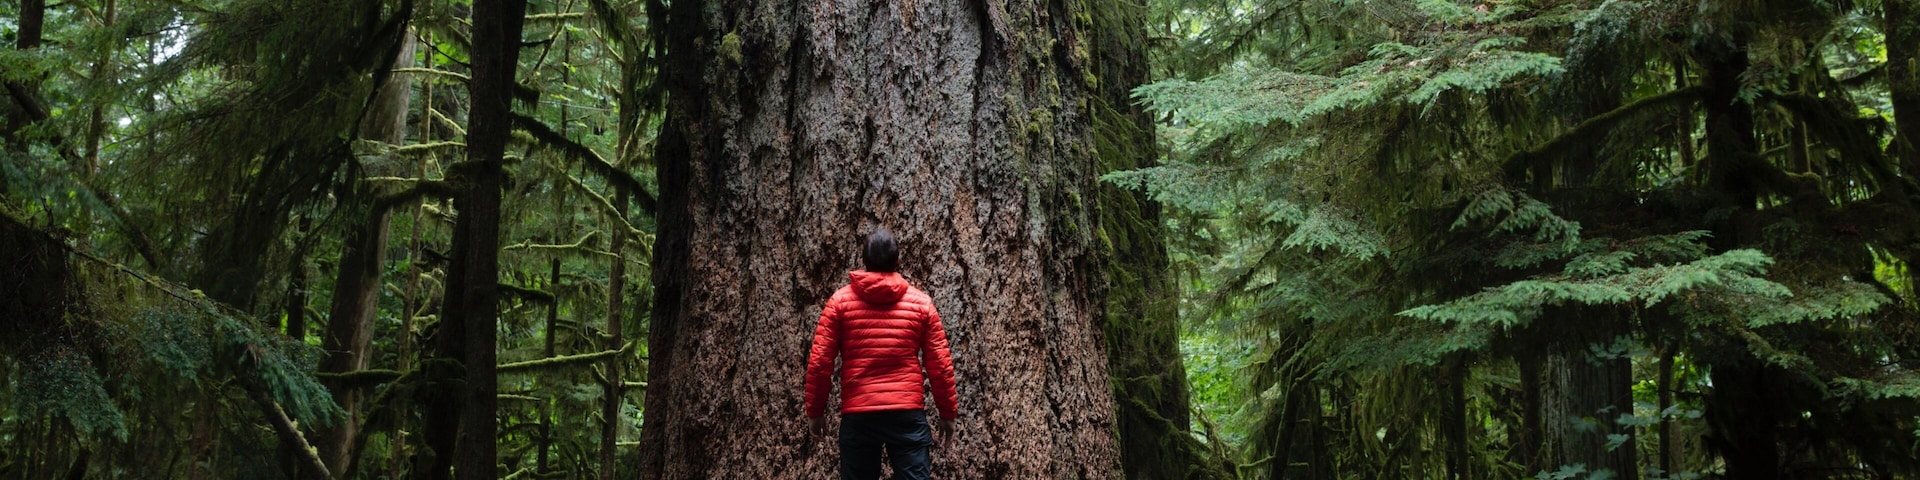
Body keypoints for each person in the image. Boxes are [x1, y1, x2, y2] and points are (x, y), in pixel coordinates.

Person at [805, 227, 958, 480]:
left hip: (859, 414)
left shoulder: (839, 304)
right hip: (906, 414)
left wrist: (815, 410)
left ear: (864, 262)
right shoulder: (921, 304)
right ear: (897, 261)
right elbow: (939, 365)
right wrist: (947, 412)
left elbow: (820, 362)